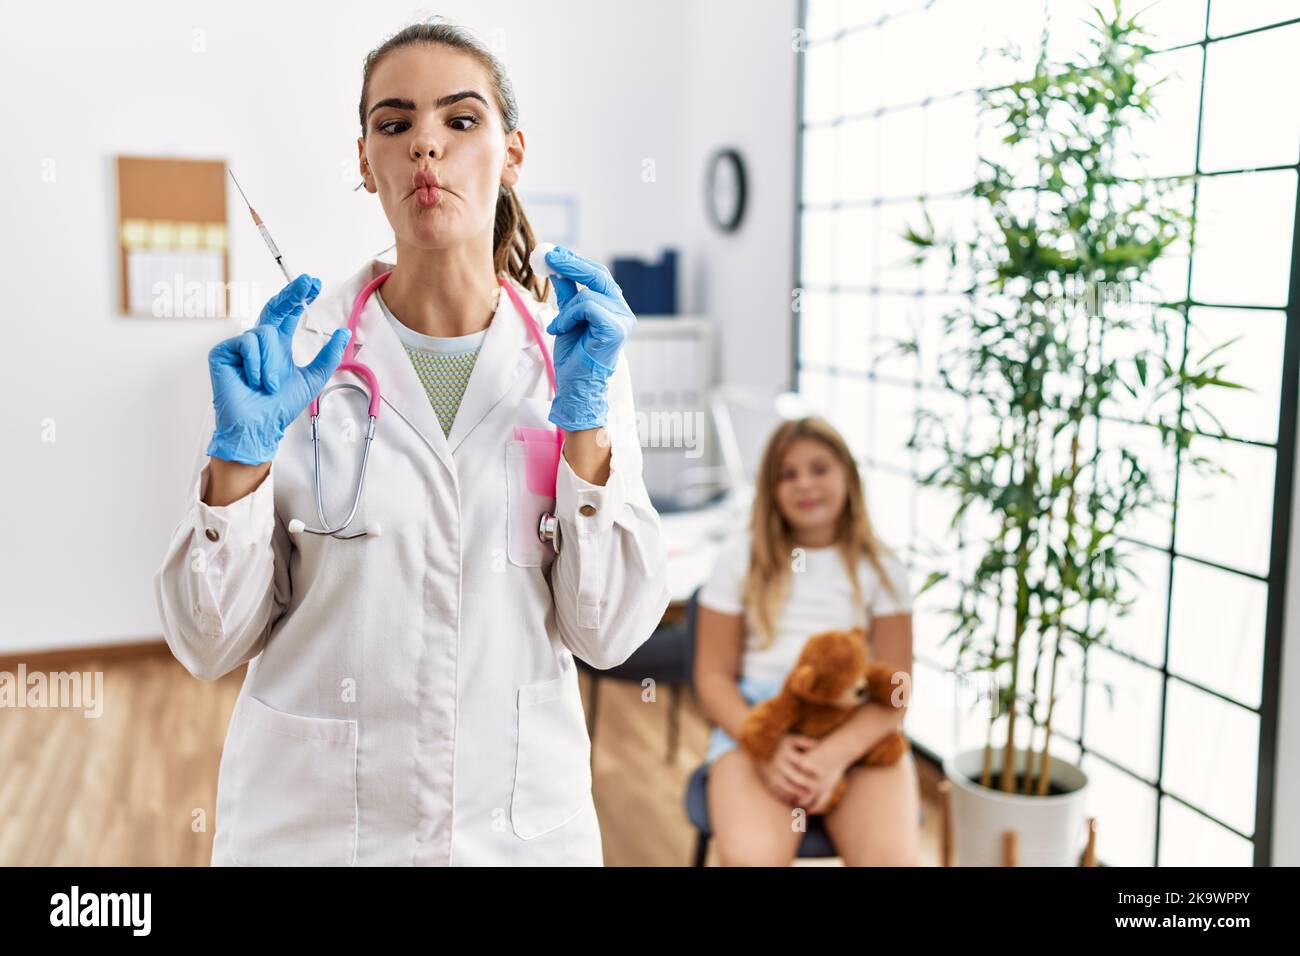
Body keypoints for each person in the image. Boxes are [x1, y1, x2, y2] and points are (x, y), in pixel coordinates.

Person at [153, 18, 669, 866]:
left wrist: (585, 438)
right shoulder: (300, 358)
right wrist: (238, 464)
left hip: (514, 827)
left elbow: (606, 633)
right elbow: (208, 644)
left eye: (461, 121)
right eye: (395, 124)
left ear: (512, 151)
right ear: (366, 161)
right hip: (314, 830)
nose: (426, 145)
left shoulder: (577, 364)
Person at [694, 416, 920, 866]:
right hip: (757, 724)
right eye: (788, 474)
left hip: (857, 729)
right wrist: (766, 744)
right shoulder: (738, 559)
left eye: (819, 469)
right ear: (771, 490)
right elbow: (713, 676)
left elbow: (895, 689)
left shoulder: (883, 570)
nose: (805, 485)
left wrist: (836, 753)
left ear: (849, 477)